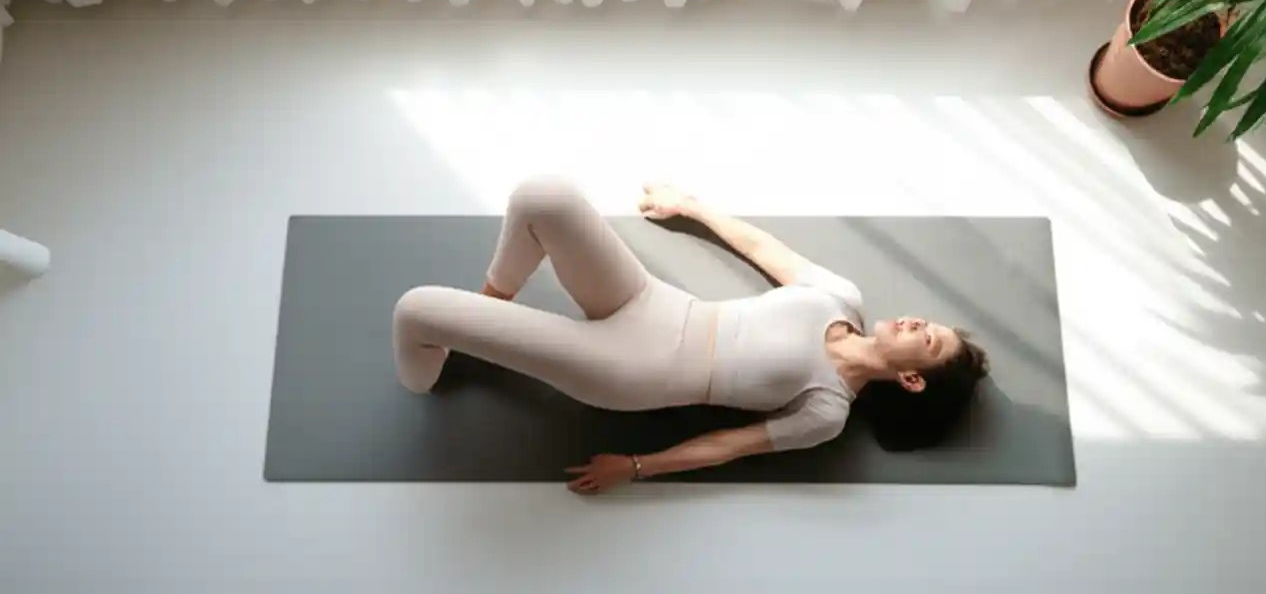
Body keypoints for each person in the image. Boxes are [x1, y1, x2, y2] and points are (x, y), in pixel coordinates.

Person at [393, 175, 989, 495]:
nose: (917, 322)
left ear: (911, 378)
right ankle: (492, 303)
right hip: (654, 303)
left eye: (929, 340)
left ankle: (423, 379)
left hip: (629, 370)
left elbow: (728, 445)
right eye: (930, 321)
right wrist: (689, 205)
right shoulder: (843, 297)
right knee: (541, 195)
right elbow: (762, 249)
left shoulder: (827, 410)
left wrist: (635, 466)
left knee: (415, 310)